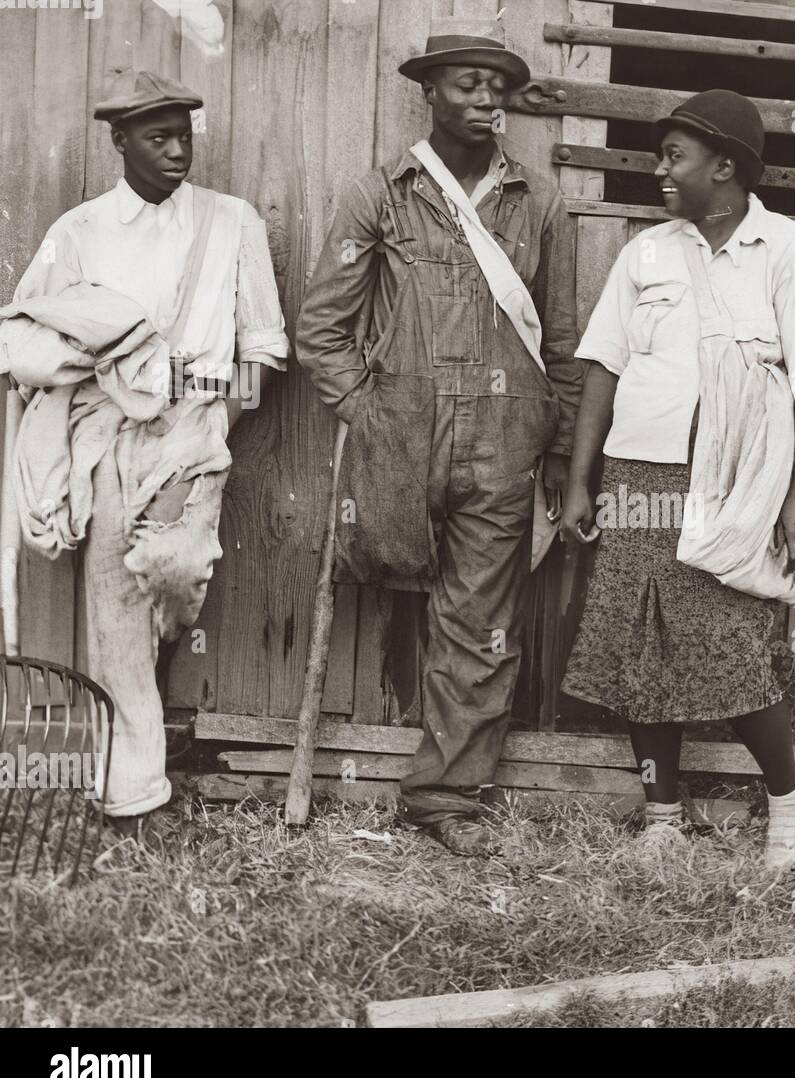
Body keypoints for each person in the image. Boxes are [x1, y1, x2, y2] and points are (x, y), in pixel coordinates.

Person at [296, 33, 584, 857]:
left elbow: (559, 336)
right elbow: (322, 329)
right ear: (431, 91)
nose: (488, 98)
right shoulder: (383, 195)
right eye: (470, 84)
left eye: (499, 86)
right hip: (402, 441)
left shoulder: (540, 202)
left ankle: (445, 798)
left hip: (505, 443)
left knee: (481, 623)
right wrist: (371, 409)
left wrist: (556, 444)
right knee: (380, 574)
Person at [560, 90, 795, 873]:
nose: (660, 169)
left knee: (724, 641)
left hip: (730, 476)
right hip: (637, 469)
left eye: (674, 156)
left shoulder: (787, 249)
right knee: (635, 643)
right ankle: (662, 812)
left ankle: (789, 796)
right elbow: (602, 367)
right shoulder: (646, 254)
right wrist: (582, 481)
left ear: (724, 167)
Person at [0, 71, 289, 838]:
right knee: (115, 611)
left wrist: (214, 423)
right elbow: (21, 329)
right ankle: (136, 794)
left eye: (184, 135)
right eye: (157, 137)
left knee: (173, 567)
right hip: (105, 434)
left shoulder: (233, 223)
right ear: (119, 141)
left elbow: (261, 351)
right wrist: (88, 364)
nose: (176, 150)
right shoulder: (81, 229)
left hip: (197, 426)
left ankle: (142, 736)